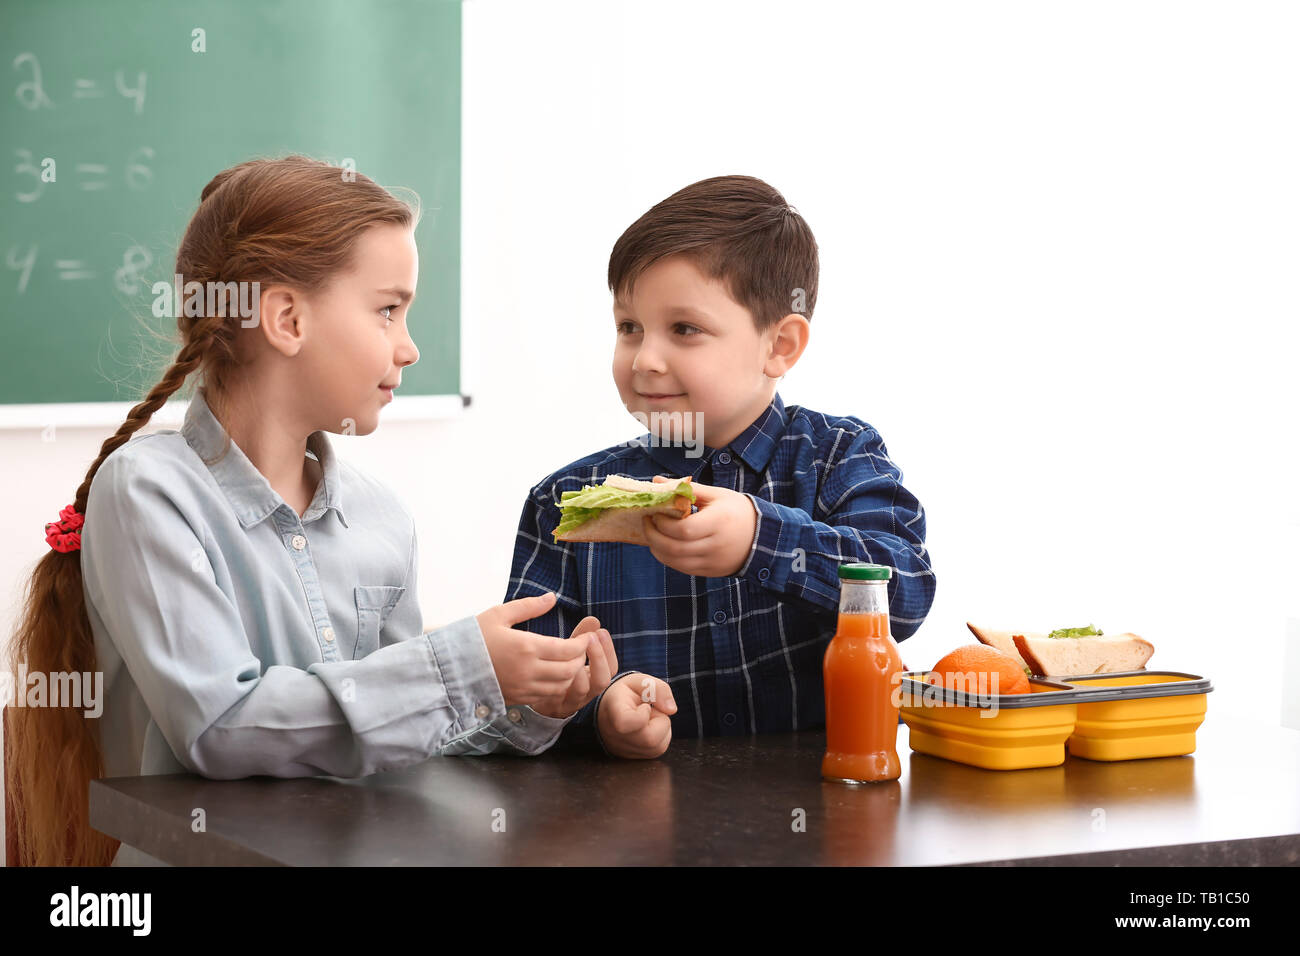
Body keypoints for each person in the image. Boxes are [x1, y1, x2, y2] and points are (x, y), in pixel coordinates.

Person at [5, 156, 616, 867]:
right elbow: (223, 727)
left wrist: (528, 700)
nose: (410, 346)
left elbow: (394, 725)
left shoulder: (381, 517)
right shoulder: (147, 493)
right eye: (388, 309)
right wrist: (461, 669)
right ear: (287, 318)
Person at [505, 175, 936, 758]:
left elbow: (906, 593)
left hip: (829, 818)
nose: (646, 360)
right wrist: (600, 710)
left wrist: (761, 540)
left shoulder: (838, 453)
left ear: (779, 345)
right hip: (639, 829)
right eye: (629, 327)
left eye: (685, 329)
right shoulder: (567, 497)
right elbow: (524, 698)